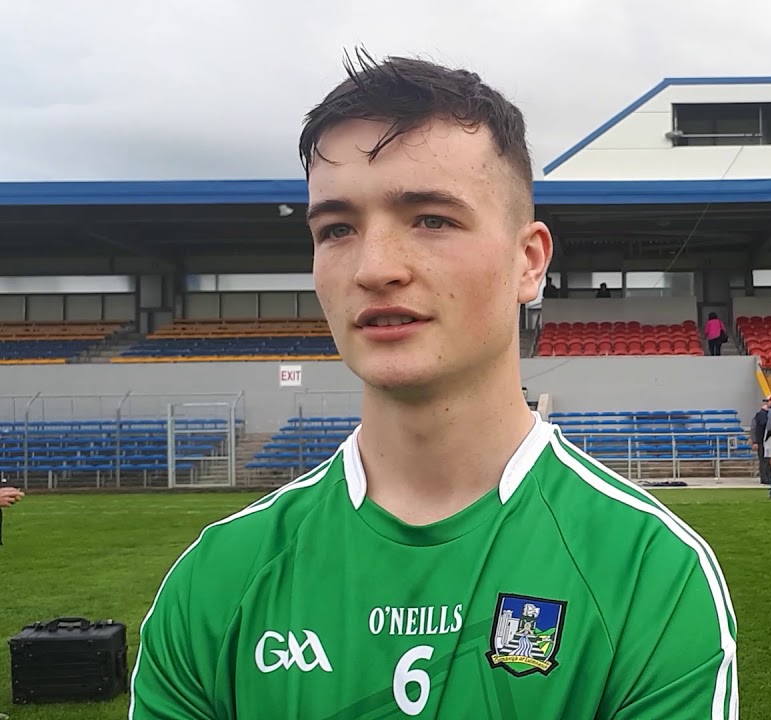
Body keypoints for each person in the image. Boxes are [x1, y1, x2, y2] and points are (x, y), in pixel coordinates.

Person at [130, 52, 738, 720]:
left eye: (431, 219)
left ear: (528, 261)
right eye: (336, 228)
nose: (375, 267)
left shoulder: (649, 572)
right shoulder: (216, 579)